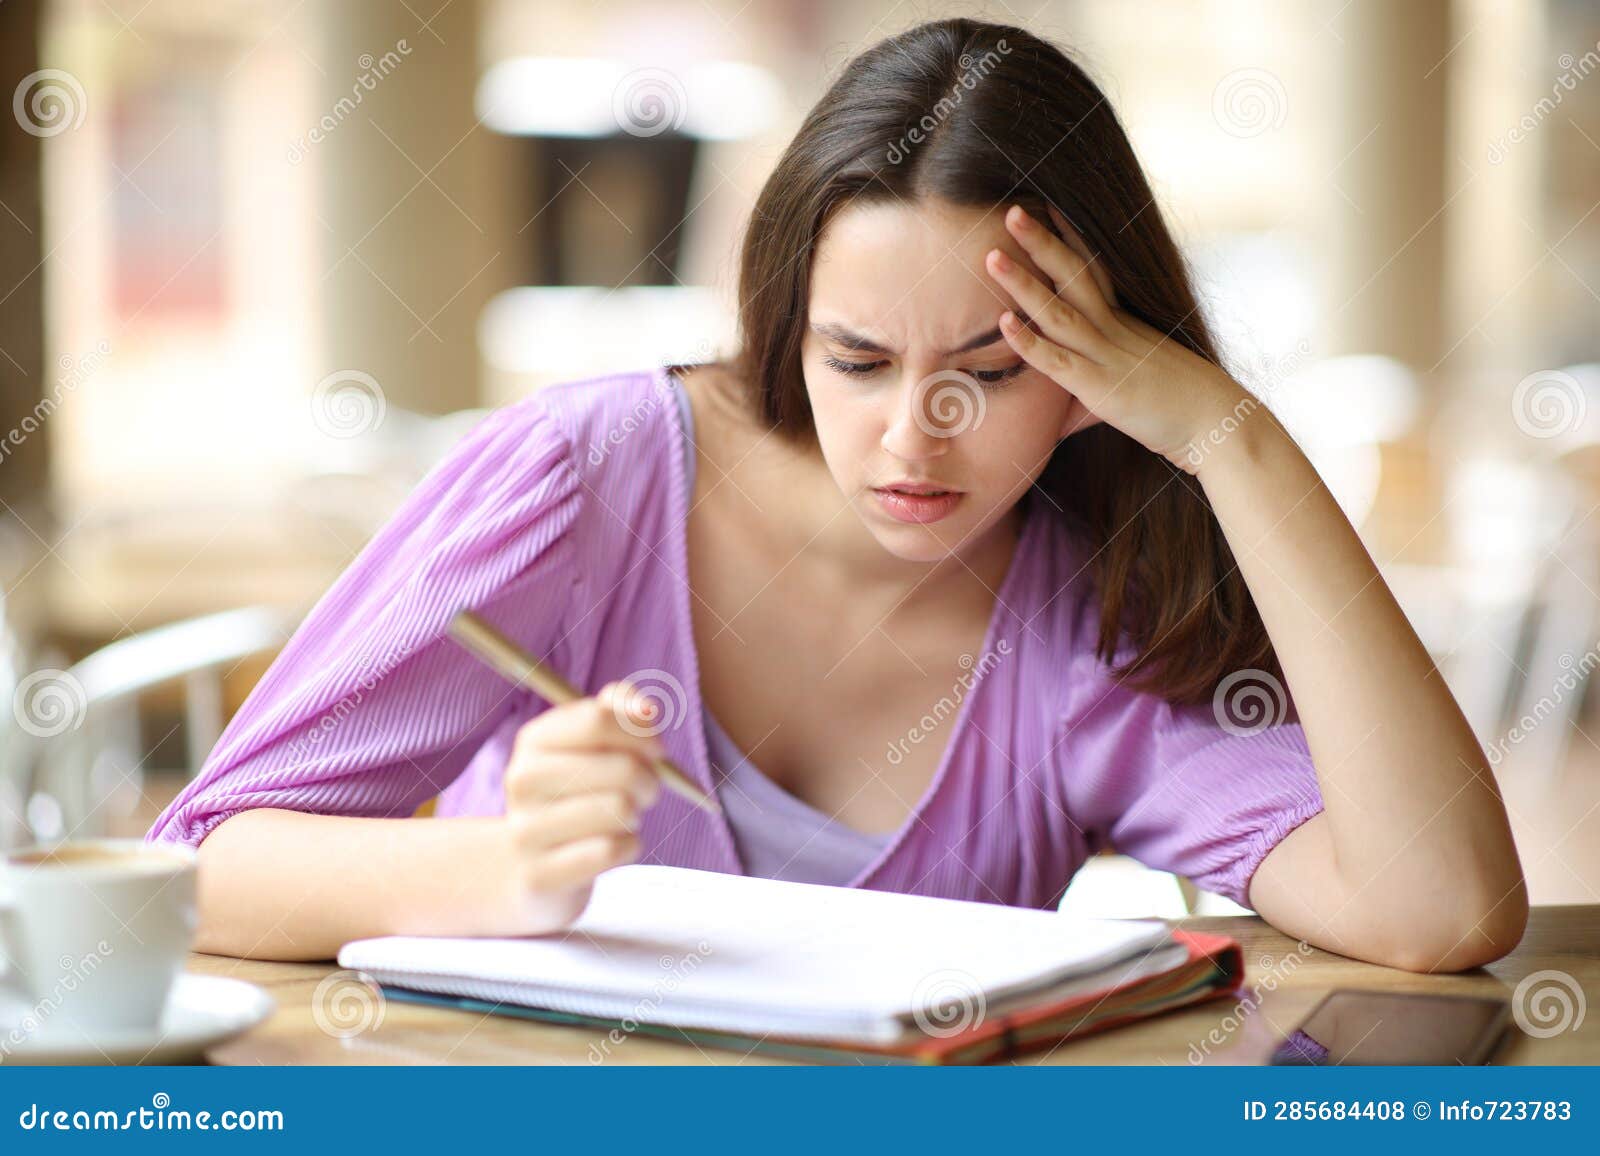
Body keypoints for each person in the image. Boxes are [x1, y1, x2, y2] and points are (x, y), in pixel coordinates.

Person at [149, 17, 1526, 970]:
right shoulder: (580, 484)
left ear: (1099, 379)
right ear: (785, 322)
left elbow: (1442, 905)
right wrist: (496, 870)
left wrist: (1234, 440)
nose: (910, 439)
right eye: (856, 359)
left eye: (989, 372)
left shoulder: (1092, 622)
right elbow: (194, 872)